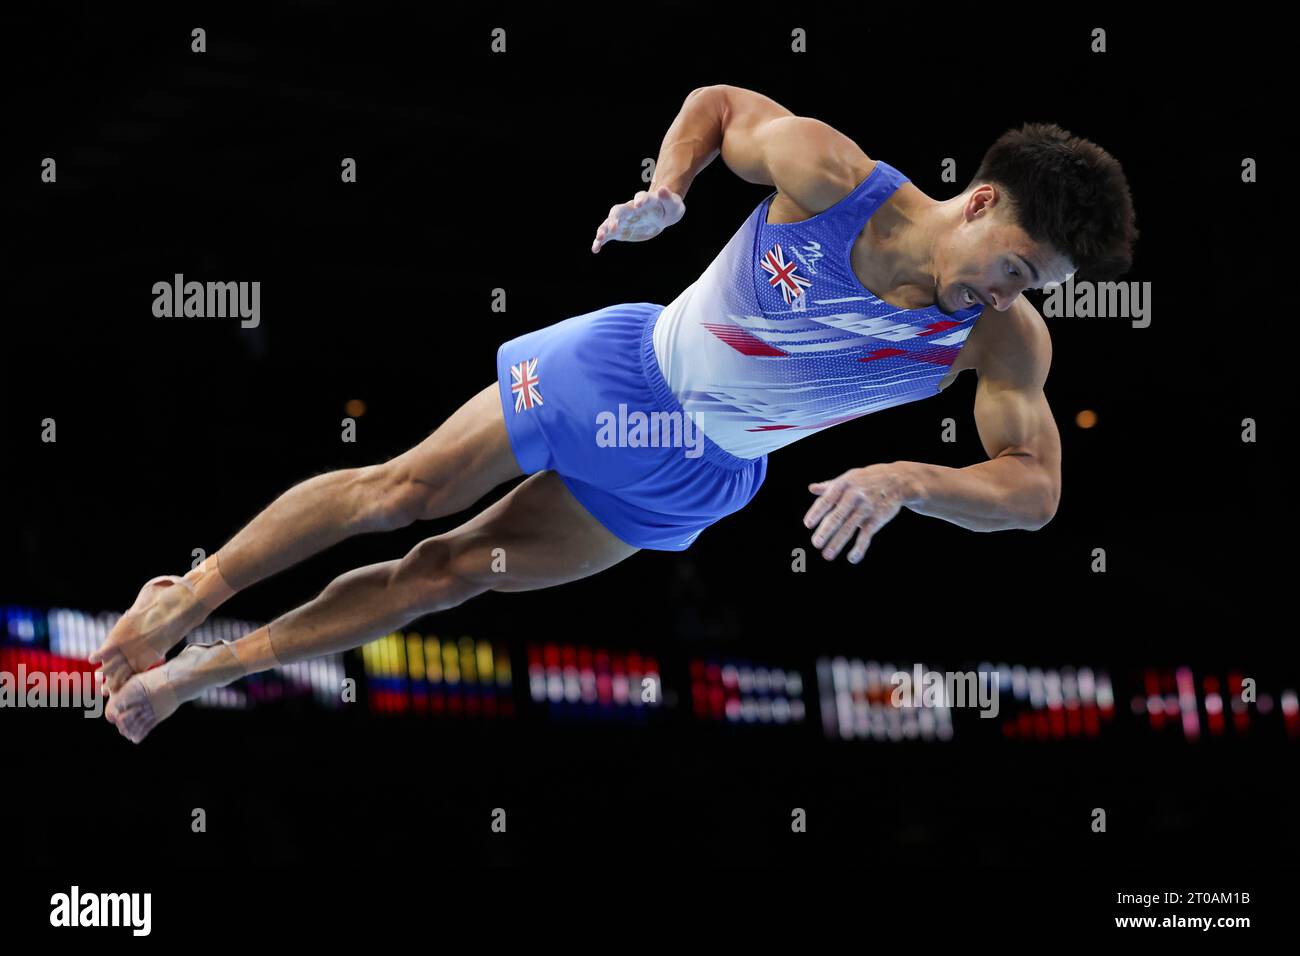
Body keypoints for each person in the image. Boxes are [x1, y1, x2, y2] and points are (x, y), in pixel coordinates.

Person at [94, 84, 1136, 743]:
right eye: (1011, 270)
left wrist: (911, 478)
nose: (1009, 296)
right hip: (614, 368)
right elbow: (721, 105)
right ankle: (190, 594)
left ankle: (205, 671)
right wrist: (672, 188)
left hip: (693, 474)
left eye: (1032, 287)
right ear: (983, 202)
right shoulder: (834, 177)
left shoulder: (999, 340)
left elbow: (1033, 490)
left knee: (449, 574)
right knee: (403, 490)